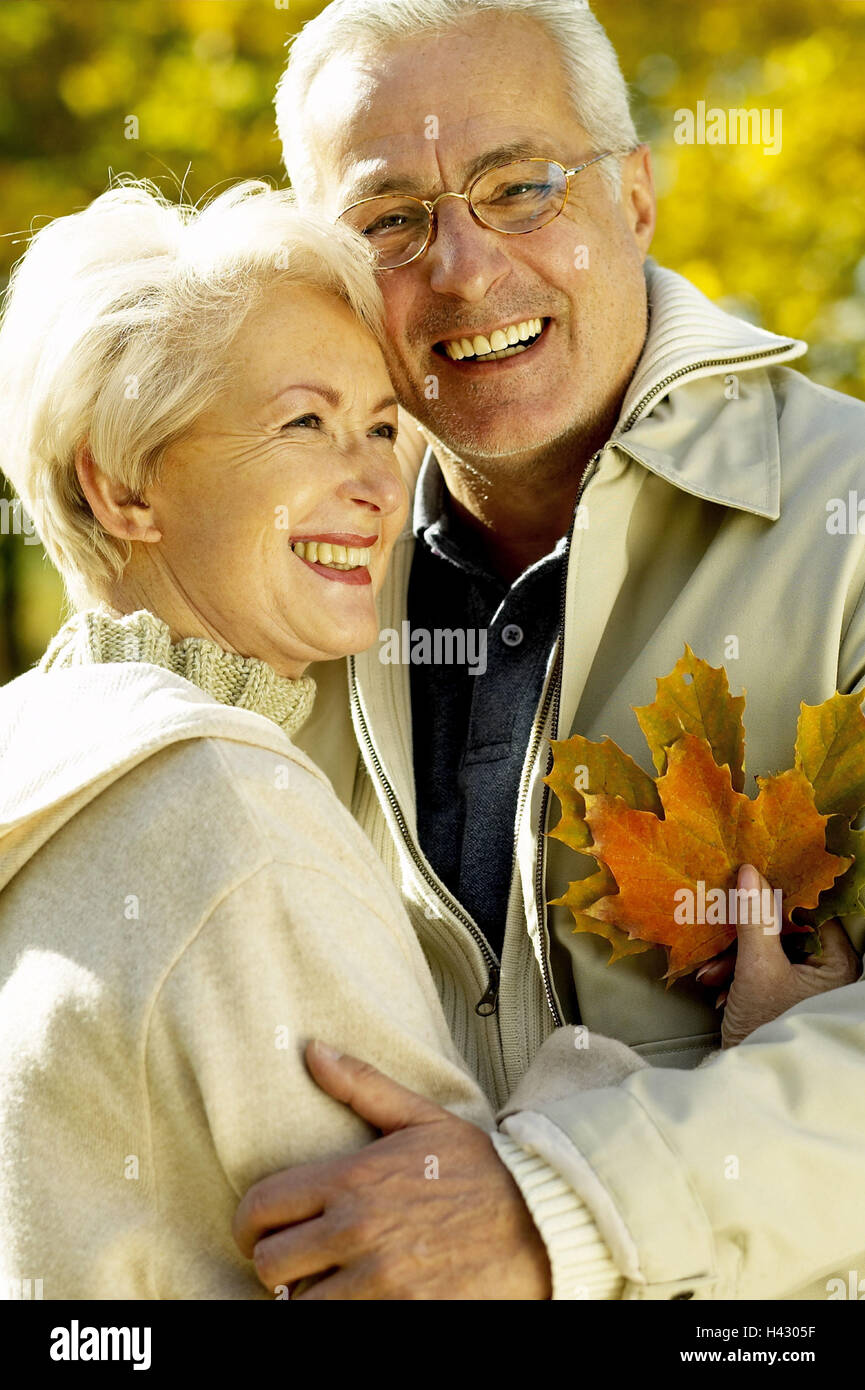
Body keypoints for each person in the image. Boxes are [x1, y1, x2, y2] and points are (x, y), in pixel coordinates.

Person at [233, 0, 865, 1301]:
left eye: (521, 187)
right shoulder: (256, 561)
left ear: (635, 194)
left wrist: (550, 1208)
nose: (464, 268)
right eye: (390, 222)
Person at [0, 179, 515, 1299]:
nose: (381, 483)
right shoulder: (229, 806)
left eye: (383, 427)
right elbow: (450, 1269)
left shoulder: (34, 759)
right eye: (304, 423)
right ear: (124, 486)